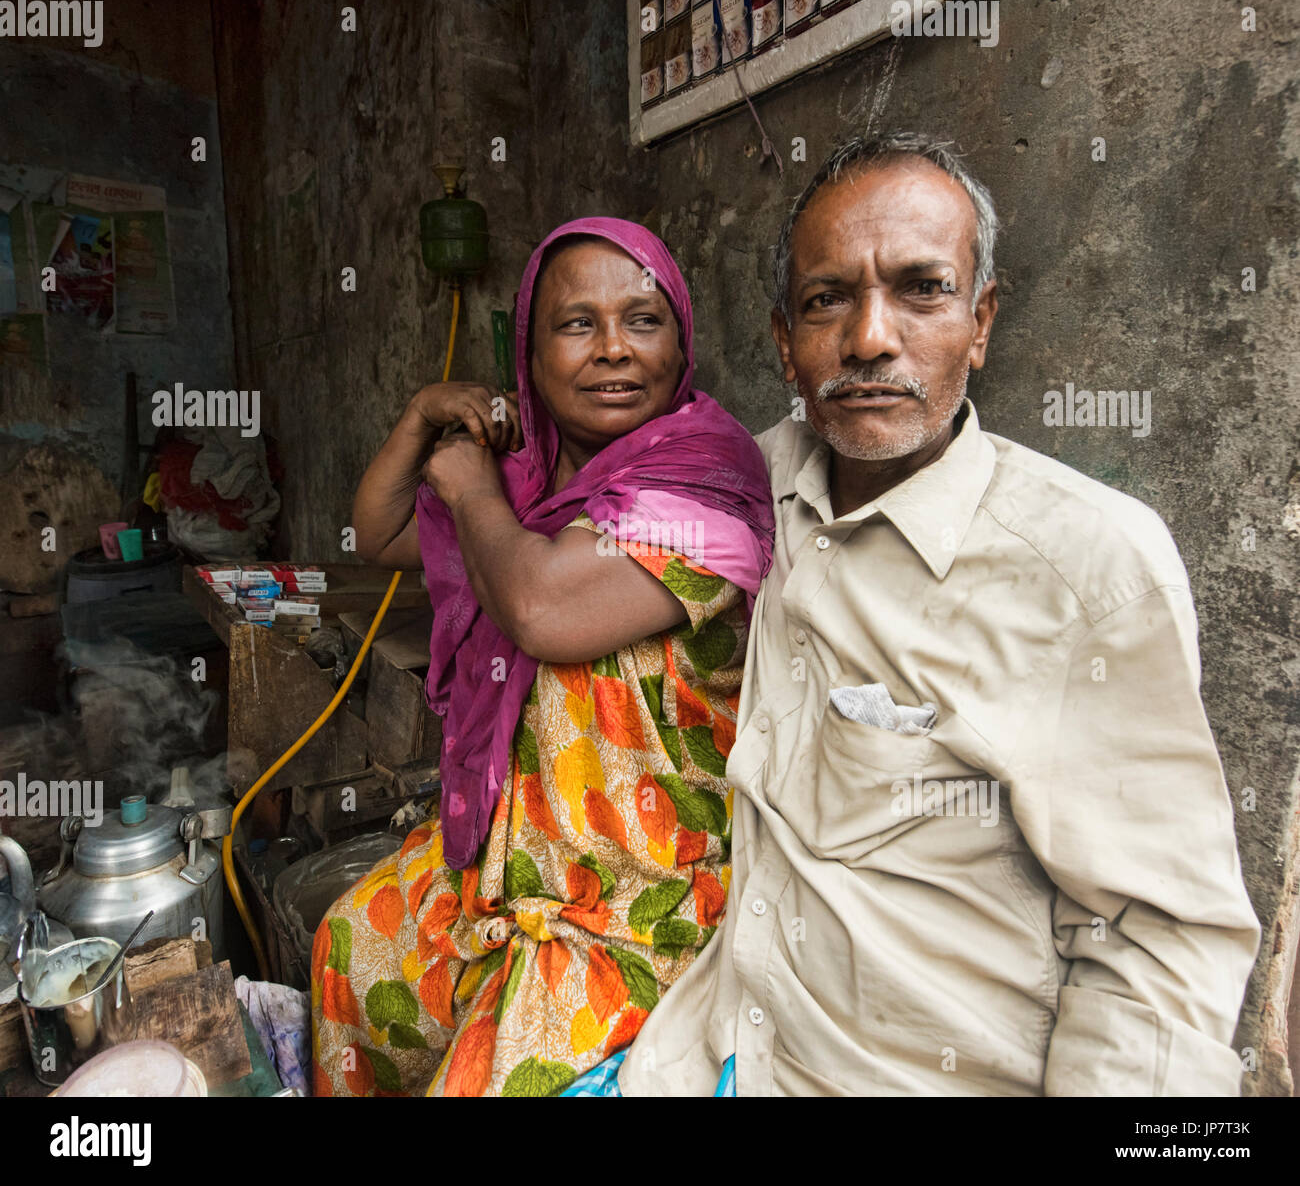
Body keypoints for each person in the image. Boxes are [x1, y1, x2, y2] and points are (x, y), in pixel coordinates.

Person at [591, 132, 1260, 1096]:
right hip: (700, 1053)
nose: (870, 337)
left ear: (980, 323)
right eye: (828, 300)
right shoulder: (746, 488)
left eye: (922, 289)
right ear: (784, 339)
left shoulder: (1088, 567)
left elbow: (1159, 946)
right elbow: (566, 541)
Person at [310, 218, 775, 1097]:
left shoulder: (705, 484)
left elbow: (539, 606)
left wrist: (471, 486)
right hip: (512, 861)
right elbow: (379, 532)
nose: (612, 351)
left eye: (643, 320)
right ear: (528, 354)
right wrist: (420, 420)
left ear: (682, 343)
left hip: (638, 904)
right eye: (576, 324)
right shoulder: (536, 486)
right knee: (349, 949)